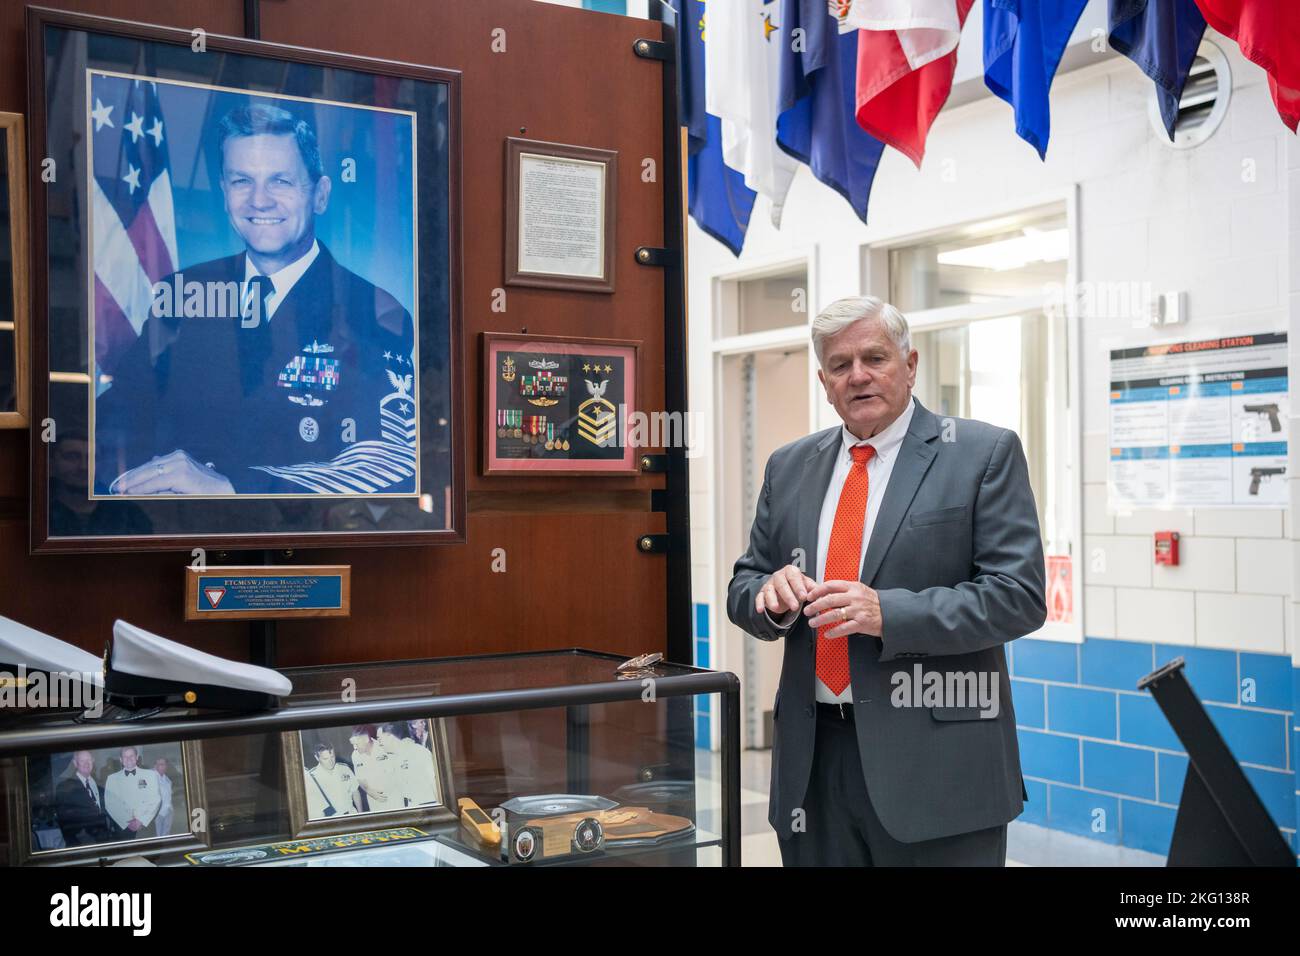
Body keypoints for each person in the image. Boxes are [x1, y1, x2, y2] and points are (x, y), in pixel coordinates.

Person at [727, 296, 1046, 867]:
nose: (859, 375)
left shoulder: (981, 453)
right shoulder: (789, 465)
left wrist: (888, 613)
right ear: (824, 381)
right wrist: (767, 598)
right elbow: (746, 580)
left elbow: (1018, 597)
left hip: (938, 774)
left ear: (910, 363)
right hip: (814, 766)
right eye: (841, 364)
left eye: (875, 357)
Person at [94, 102, 417, 497]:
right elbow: (118, 416)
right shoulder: (185, 292)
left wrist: (233, 489)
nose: (259, 201)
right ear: (224, 193)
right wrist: (122, 484)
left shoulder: (372, 309)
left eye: (281, 181)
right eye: (242, 181)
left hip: (305, 545)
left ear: (320, 194)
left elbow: (390, 463)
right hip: (176, 540)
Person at [103, 745, 162, 840]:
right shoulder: (112, 778)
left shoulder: (150, 775)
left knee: (149, 853)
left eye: (131, 756)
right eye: (125, 756)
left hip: (146, 825)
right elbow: (110, 804)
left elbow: (156, 799)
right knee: (126, 854)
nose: (128, 759)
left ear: (137, 757)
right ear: (121, 759)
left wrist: (141, 820)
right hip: (123, 828)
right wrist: (126, 822)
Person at [54, 750, 109, 846]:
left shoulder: (100, 785)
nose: (86, 763)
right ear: (75, 763)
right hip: (82, 845)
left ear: (93, 761)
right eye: (82, 761)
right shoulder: (64, 787)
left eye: (89, 760)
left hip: (104, 842)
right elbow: (64, 820)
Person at [377, 722, 439, 807]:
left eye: (380, 739)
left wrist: (440, 810)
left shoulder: (418, 752)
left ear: (390, 737)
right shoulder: (395, 757)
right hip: (412, 805)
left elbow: (435, 783)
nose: (379, 743)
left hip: (427, 805)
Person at [304, 741, 361, 819]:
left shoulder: (344, 768)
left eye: (332, 757)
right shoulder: (312, 777)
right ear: (317, 757)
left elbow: (355, 791)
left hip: (351, 814)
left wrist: (360, 814)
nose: (331, 761)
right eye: (325, 759)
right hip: (332, 820)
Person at [349, 725, 397, 813]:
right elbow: (360, 778)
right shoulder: (355, 755)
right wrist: (368, 790)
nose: (354, 748)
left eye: (357, 744)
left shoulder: (384, 747)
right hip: (374, 801)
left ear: (366, 739)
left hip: (394, 799)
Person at [153, 756, 175, 836]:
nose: (163, 766)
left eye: (165, 764)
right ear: (155, 766)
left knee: (166, 833)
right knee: (158, 834)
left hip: (168, 810)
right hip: (158, 812)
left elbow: (169, 795)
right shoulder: (151, 777)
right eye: (160, 764)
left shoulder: (167, 779)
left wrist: (171, 810)